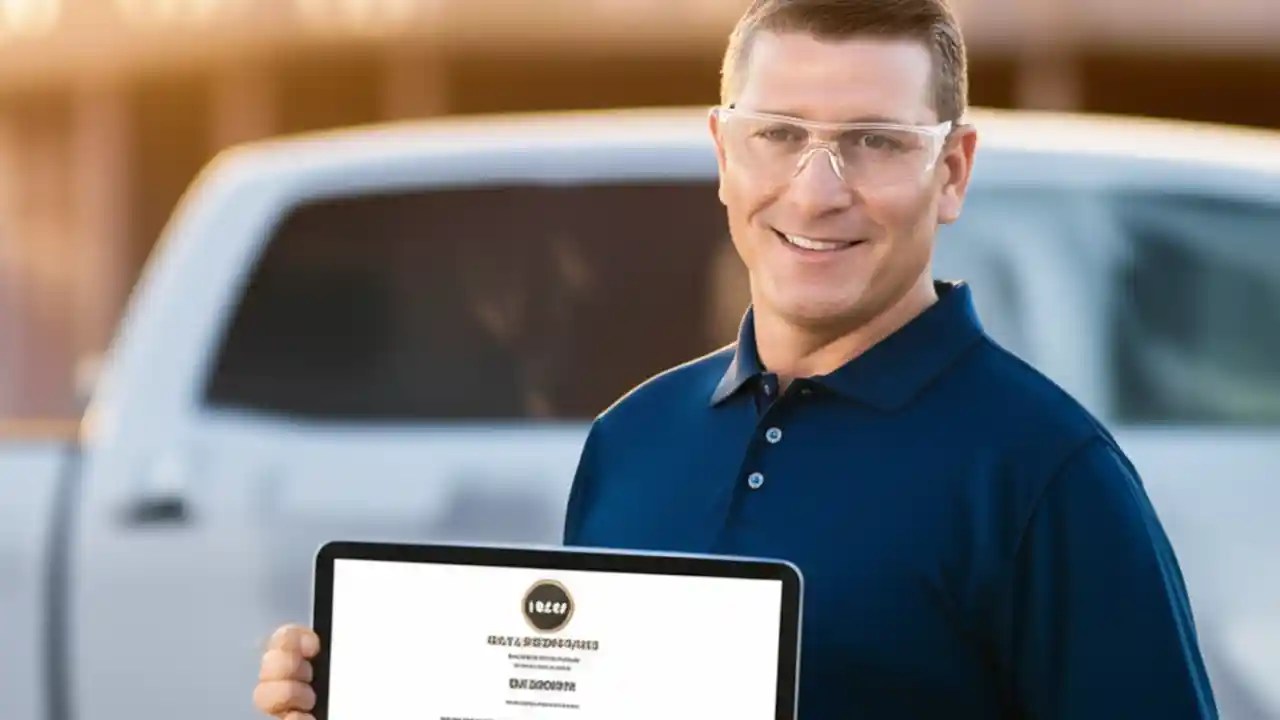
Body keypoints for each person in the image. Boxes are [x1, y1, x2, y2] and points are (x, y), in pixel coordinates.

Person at [253, 0, 1219, 717]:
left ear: (952, 170)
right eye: (780, 137)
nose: (816, 191)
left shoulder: (1048, 477)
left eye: (875, 142)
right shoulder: (631, 440)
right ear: (723, 154)